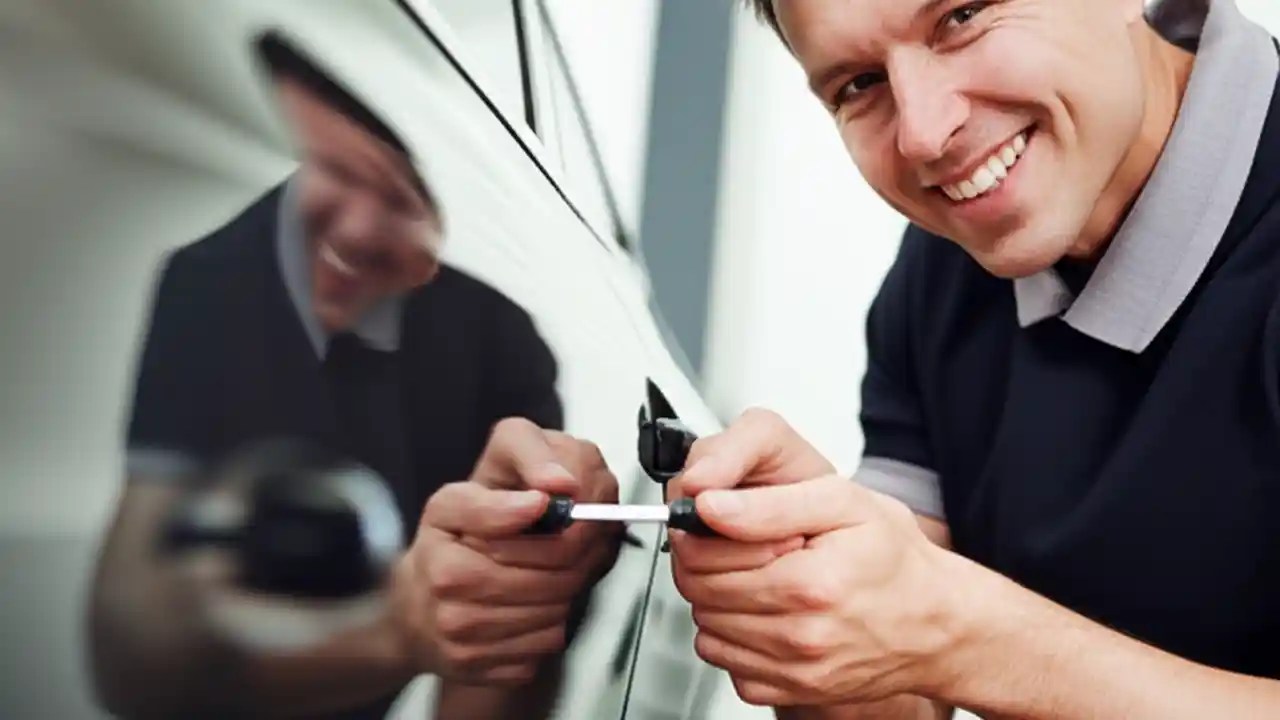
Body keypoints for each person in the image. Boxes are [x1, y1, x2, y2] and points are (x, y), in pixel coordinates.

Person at [664, 0, 1280, 718]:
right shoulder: (942, 273)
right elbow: (901, 697)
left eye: (961, 17)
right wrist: (807, 580)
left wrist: (968, 638)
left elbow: (947, 644)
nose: (925, 135)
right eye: (859, 85)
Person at [88, 30, 621, 719]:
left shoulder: (501, 334)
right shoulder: (208, 283)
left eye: (405, 197)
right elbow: (137, 660)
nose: (359, 230)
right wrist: (398, 630)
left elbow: (499, 670)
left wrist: (513, 600)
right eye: (336, 171)